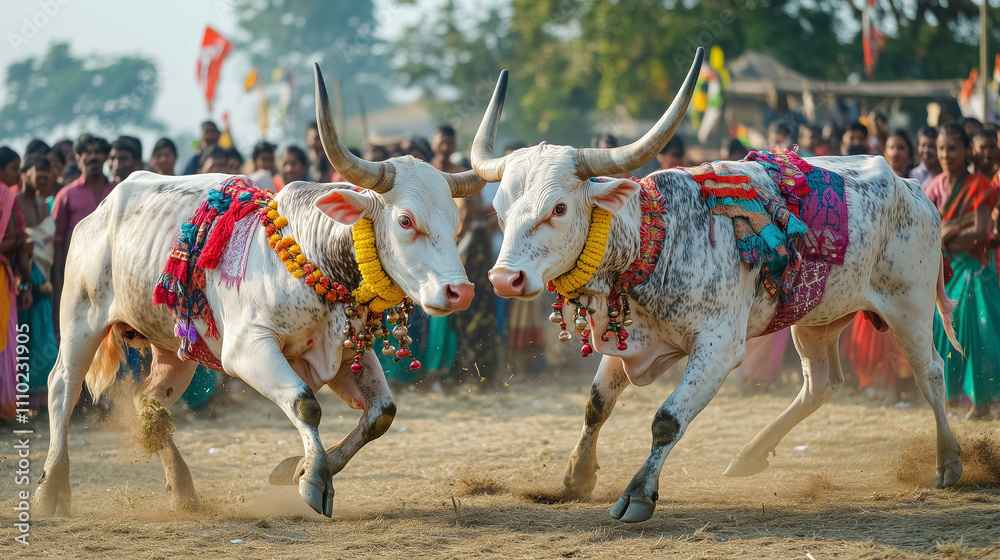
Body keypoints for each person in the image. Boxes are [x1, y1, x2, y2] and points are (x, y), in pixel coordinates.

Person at [924, 123, 1000, 420]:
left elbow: (981, 231)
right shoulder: (933, 186)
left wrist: (946, 232)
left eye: (952, 148)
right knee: (943, 335)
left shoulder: (979, 184)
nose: (945, 154)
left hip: (974, 271)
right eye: (941, 148)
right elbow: (929, 233)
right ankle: (952, 399)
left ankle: (982, 404)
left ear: (966, 150)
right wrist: (952, 230)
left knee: (979, 336)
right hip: (944, 270)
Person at [845, 130, 916, 405]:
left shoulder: (914, 184)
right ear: (884, 151)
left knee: (896, 328)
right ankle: (874, 382)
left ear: (909, 153)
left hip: (903, 266)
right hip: (872, 266)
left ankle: (895, 388)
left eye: (901, 146)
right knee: (868, 330)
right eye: (891, 147)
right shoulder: (872, 183)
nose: (896, 152)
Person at [52, 134, 114, 332]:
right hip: (77, 276)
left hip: (114, 275)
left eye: (98, 152)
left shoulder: (119, 190)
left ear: (106, 157)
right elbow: (58, 242)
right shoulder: (66, 195)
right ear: (77, 157)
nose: (93, 157)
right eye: (87, 152)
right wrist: (59, 280)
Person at [16, 154, 58, 405]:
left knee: (45, 345)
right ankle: (18, 402)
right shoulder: (12, 203)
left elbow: (50, 248)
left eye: (47, 170)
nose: (43, 175)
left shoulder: (45, 205)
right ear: (24, 172)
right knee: (20, 341)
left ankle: (41, 403)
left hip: (44, 284)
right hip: (20, 283)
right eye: (38, 169)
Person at [0, 146, 33, 419]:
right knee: (5, 339)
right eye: (14, 168)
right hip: (3, 276)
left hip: (5, 276)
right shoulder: (5, 196)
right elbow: (12, 239)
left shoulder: (8, 197)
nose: (18, 174)